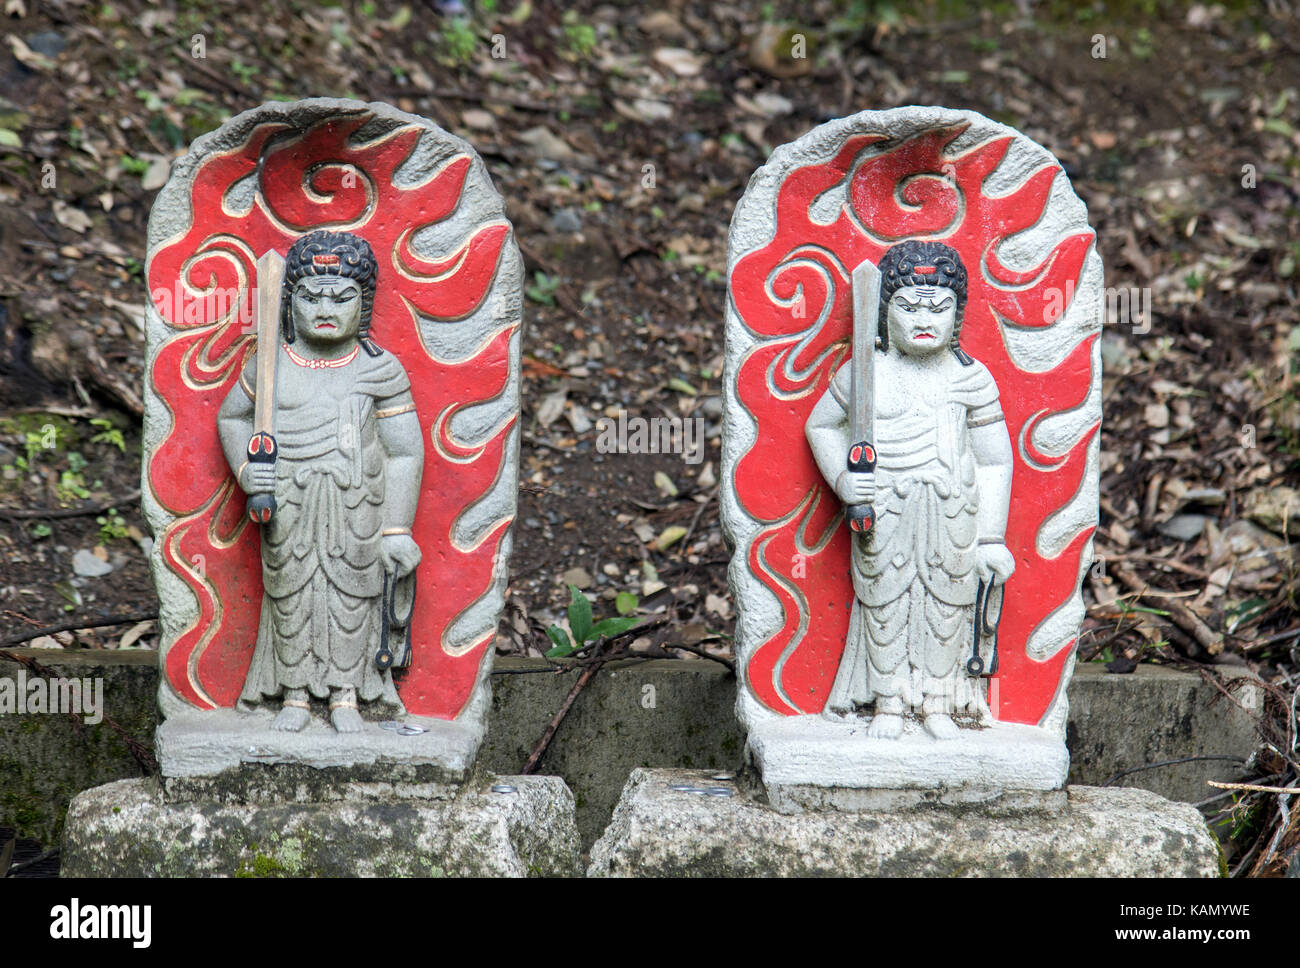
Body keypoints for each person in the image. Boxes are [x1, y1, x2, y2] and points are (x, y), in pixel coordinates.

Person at [805, 240, 1015, 740]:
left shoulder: (971, 379)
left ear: (958, 315)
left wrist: (990, 538)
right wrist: (843, 479)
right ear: (883, 313)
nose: (925, 318)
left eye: (939, 308)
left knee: (947, 607)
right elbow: (822, 427)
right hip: (885, 511)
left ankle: (939, 705)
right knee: (885, 603)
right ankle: (889, 704)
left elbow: (994, 458)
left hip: (952, 513)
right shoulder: (867, 373)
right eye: (907, 305)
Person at [218, 230, 423, 733]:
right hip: (289, 503)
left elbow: (404, 450)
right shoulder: (271, 366)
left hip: (358, 507)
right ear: (289, 304)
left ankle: (347, 696)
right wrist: (249, 473)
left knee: (352, 597)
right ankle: (293, 695)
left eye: (342, 296)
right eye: (310, 297)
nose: (324, 308)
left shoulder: (380, 371)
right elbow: (231, 419)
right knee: (291, 594)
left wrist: (397, 529)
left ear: (365, 303)